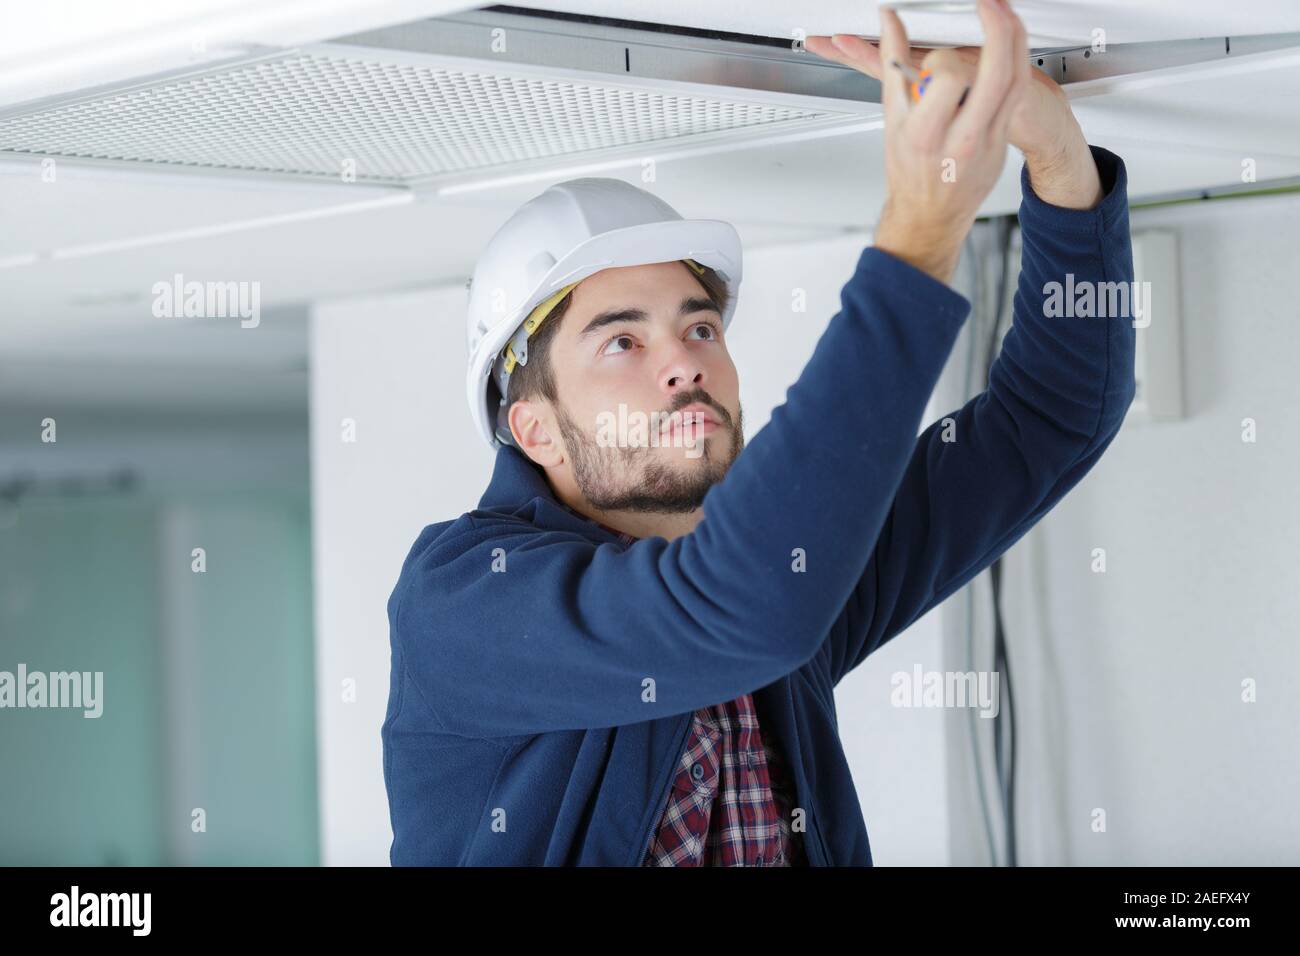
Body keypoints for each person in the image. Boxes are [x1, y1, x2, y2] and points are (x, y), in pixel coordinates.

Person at [382, 0, 1136, 865]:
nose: (683, 362)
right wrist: (919, 237)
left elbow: (1051, 418)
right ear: (536, 429)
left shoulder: (793, 571)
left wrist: (1059, 159)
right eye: (622, 340)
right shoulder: (465, 602)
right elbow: (738, 610)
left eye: (698, 327)